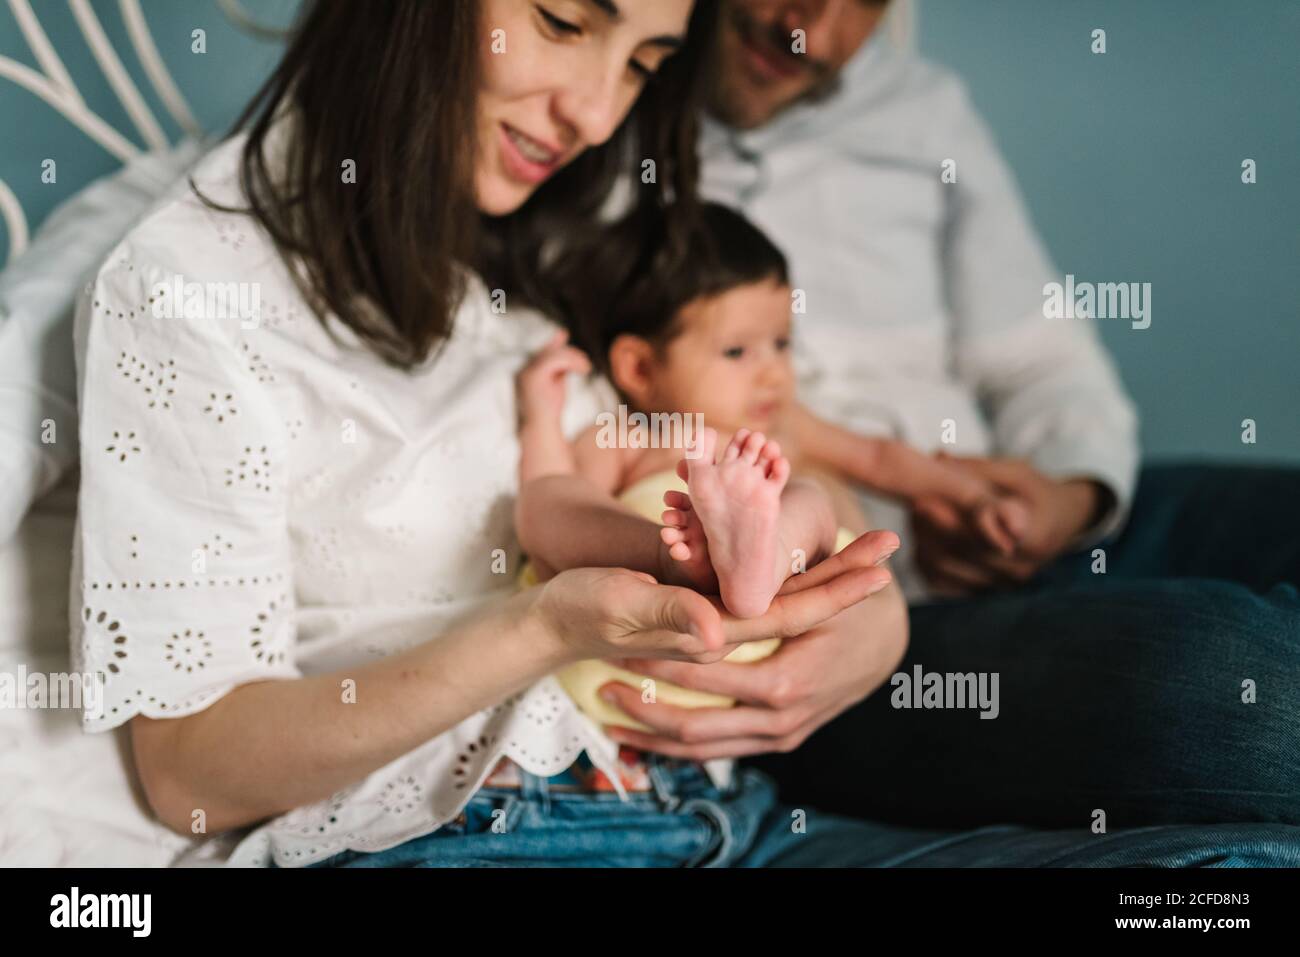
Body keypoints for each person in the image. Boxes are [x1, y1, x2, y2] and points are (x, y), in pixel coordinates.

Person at [43, 0, 1300, 865]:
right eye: (561, 18)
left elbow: (702, 478)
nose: (595, 112)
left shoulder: (525, 263)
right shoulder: (190, 291)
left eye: (644, 60)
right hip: (505, 836)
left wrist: (869, 621)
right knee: (1230, 709)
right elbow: (193, 770)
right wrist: (540, 622)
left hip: (723, 808)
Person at [581, 0, 1300, 831]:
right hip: (867, 624)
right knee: (1260, 691)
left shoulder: (922, 109)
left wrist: (1061, 503)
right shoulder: (594, 118)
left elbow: (1043, 361)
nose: (814, 26)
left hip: (1026, 518)